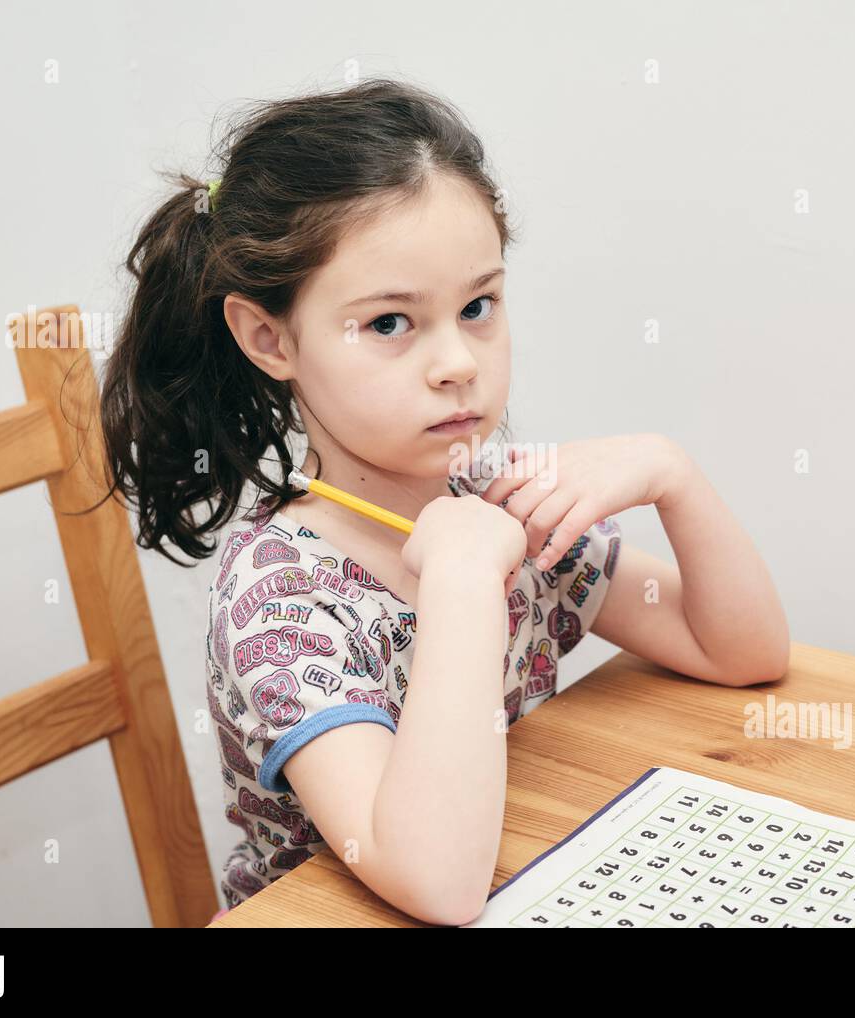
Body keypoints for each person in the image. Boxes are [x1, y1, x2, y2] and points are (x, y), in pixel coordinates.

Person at [97, 77, 790, 926]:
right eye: (390, 323)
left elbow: (741, 652)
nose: (457, 361)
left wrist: (672, 475)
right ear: (269, 338)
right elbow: (434, 882)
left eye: (478, 306)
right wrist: (463, 581)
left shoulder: (489, 494)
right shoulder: (280, 601)